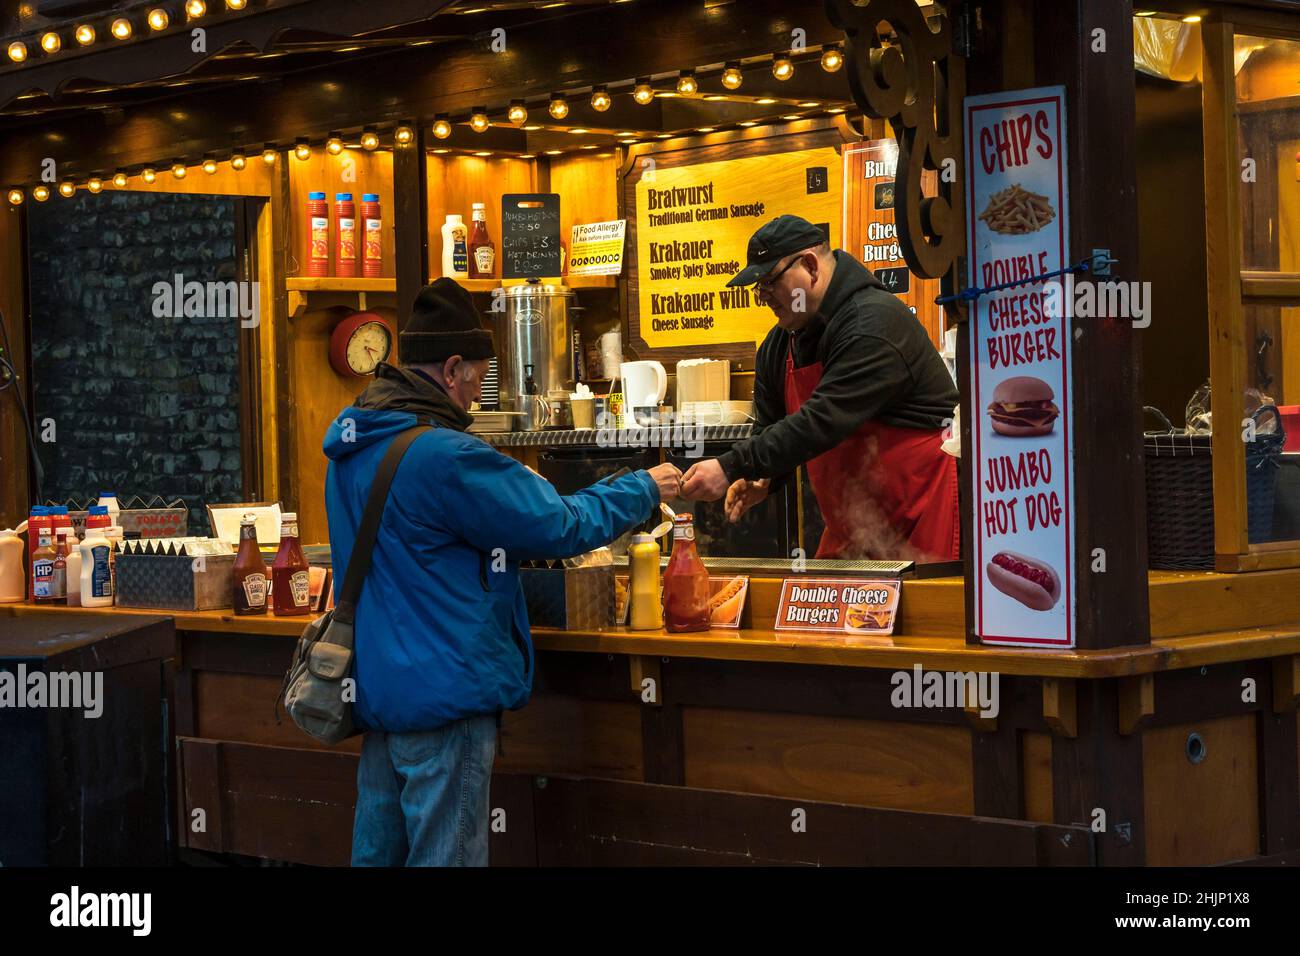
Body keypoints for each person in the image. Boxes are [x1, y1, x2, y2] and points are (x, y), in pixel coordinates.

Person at [323, 278, 681, 866]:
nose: (479, 393)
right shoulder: (446, 457)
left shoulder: (353, 445)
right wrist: (643, 486)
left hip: (380, 701)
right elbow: (560, 525)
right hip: (446, 704)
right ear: (454, 367)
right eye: (480, 376)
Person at [680, 215, 959, 561]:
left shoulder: (871, 324)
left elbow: (820, 421)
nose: (762, 296)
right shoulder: (778, 345)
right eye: (758, 287)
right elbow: (770, 425)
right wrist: (765, 476)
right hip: (853, 528)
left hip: (922, 515)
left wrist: (731, 466)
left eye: (769, 282)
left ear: (810, 266)